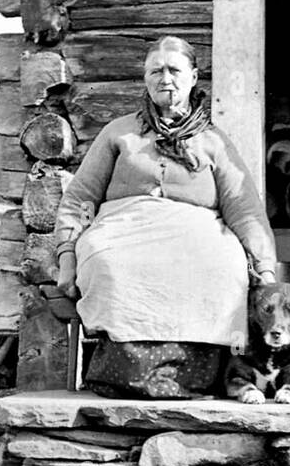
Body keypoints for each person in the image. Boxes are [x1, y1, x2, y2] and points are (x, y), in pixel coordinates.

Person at [54, 35, 277, 398]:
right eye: (155, 71)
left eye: (174, 70)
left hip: (197, 237)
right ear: (145, 79)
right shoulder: (118, 133)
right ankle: (123, 375)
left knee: (223, 263)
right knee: (109, 262)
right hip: (122, 231)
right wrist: (67, 254)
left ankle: (193, 379)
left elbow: (245, 209)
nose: (165, 79)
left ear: (193, 76)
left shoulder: (213, 142)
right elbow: (80, 198)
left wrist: (264, 267)